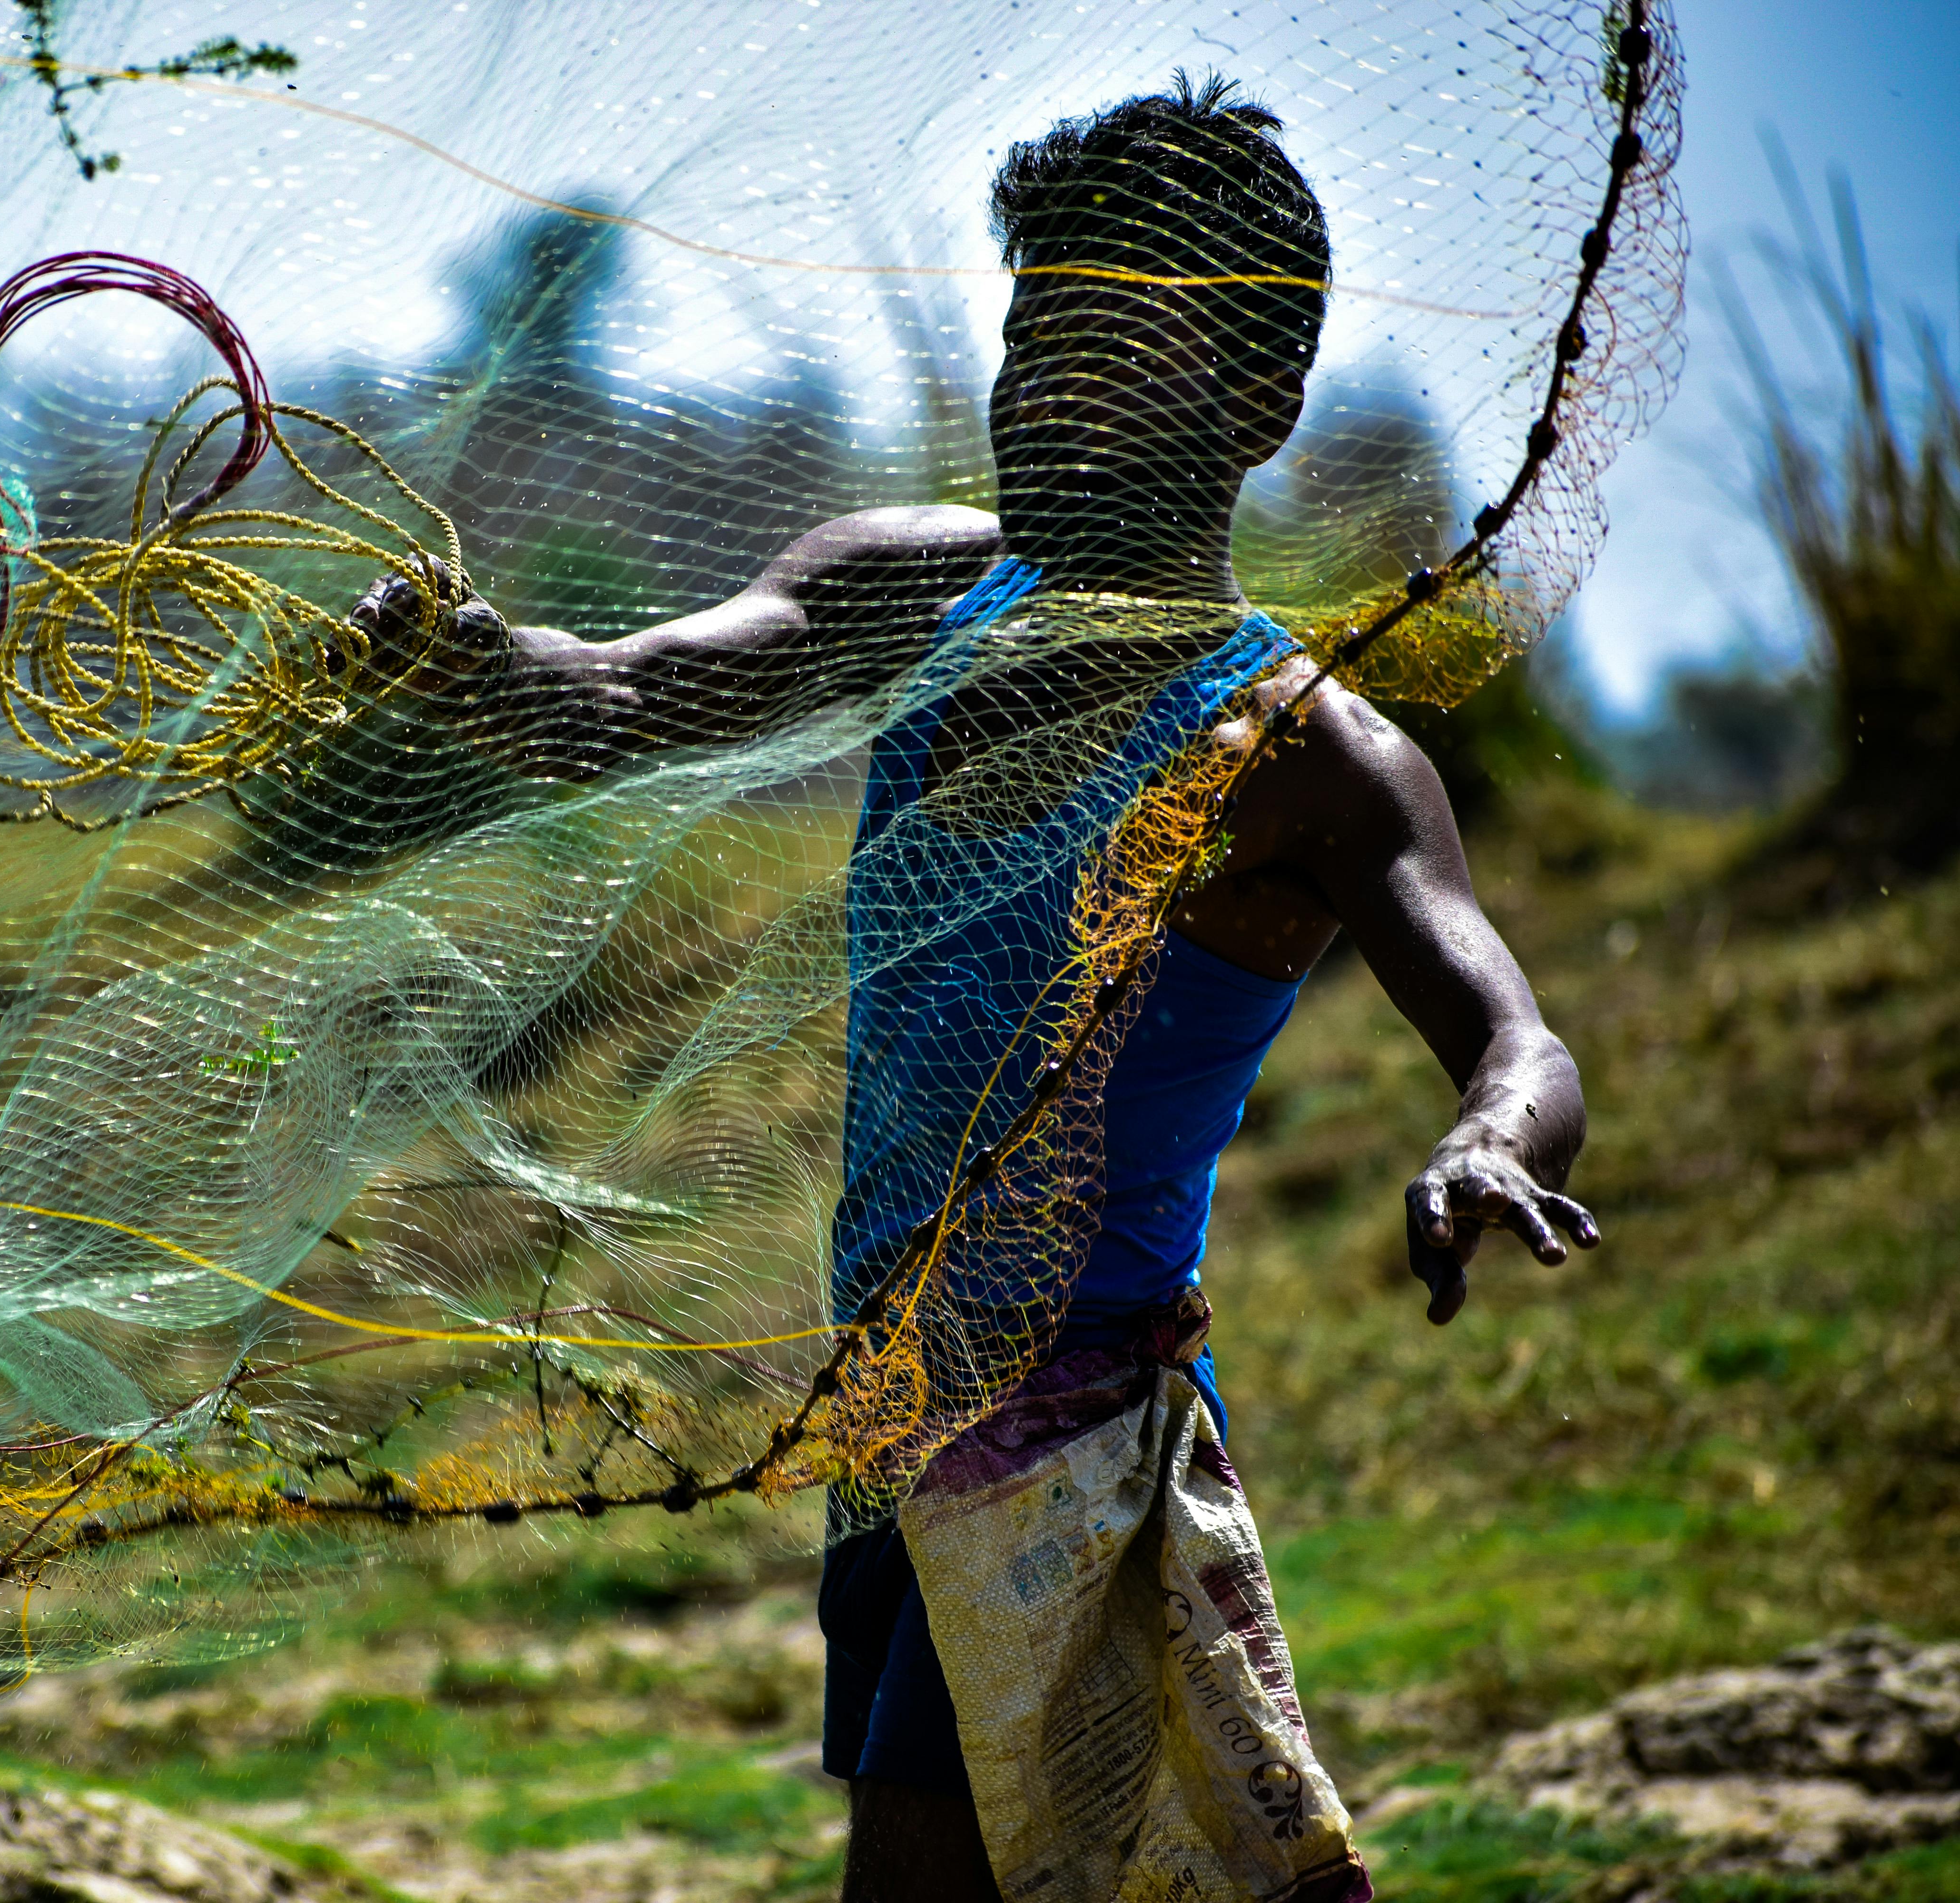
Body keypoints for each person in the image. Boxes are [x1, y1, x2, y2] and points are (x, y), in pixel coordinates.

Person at [355, 72, 1599, 1902]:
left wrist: (1492, 1146)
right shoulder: (908, 588)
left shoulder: (1305, 753)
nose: (1045, 384)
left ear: (1259, 401)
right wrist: (475, 664)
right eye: (1034, 334)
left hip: (1065, 1442)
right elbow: (621, 698)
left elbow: (1515, 1031)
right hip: (886, 1417)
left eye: (1114, 343)